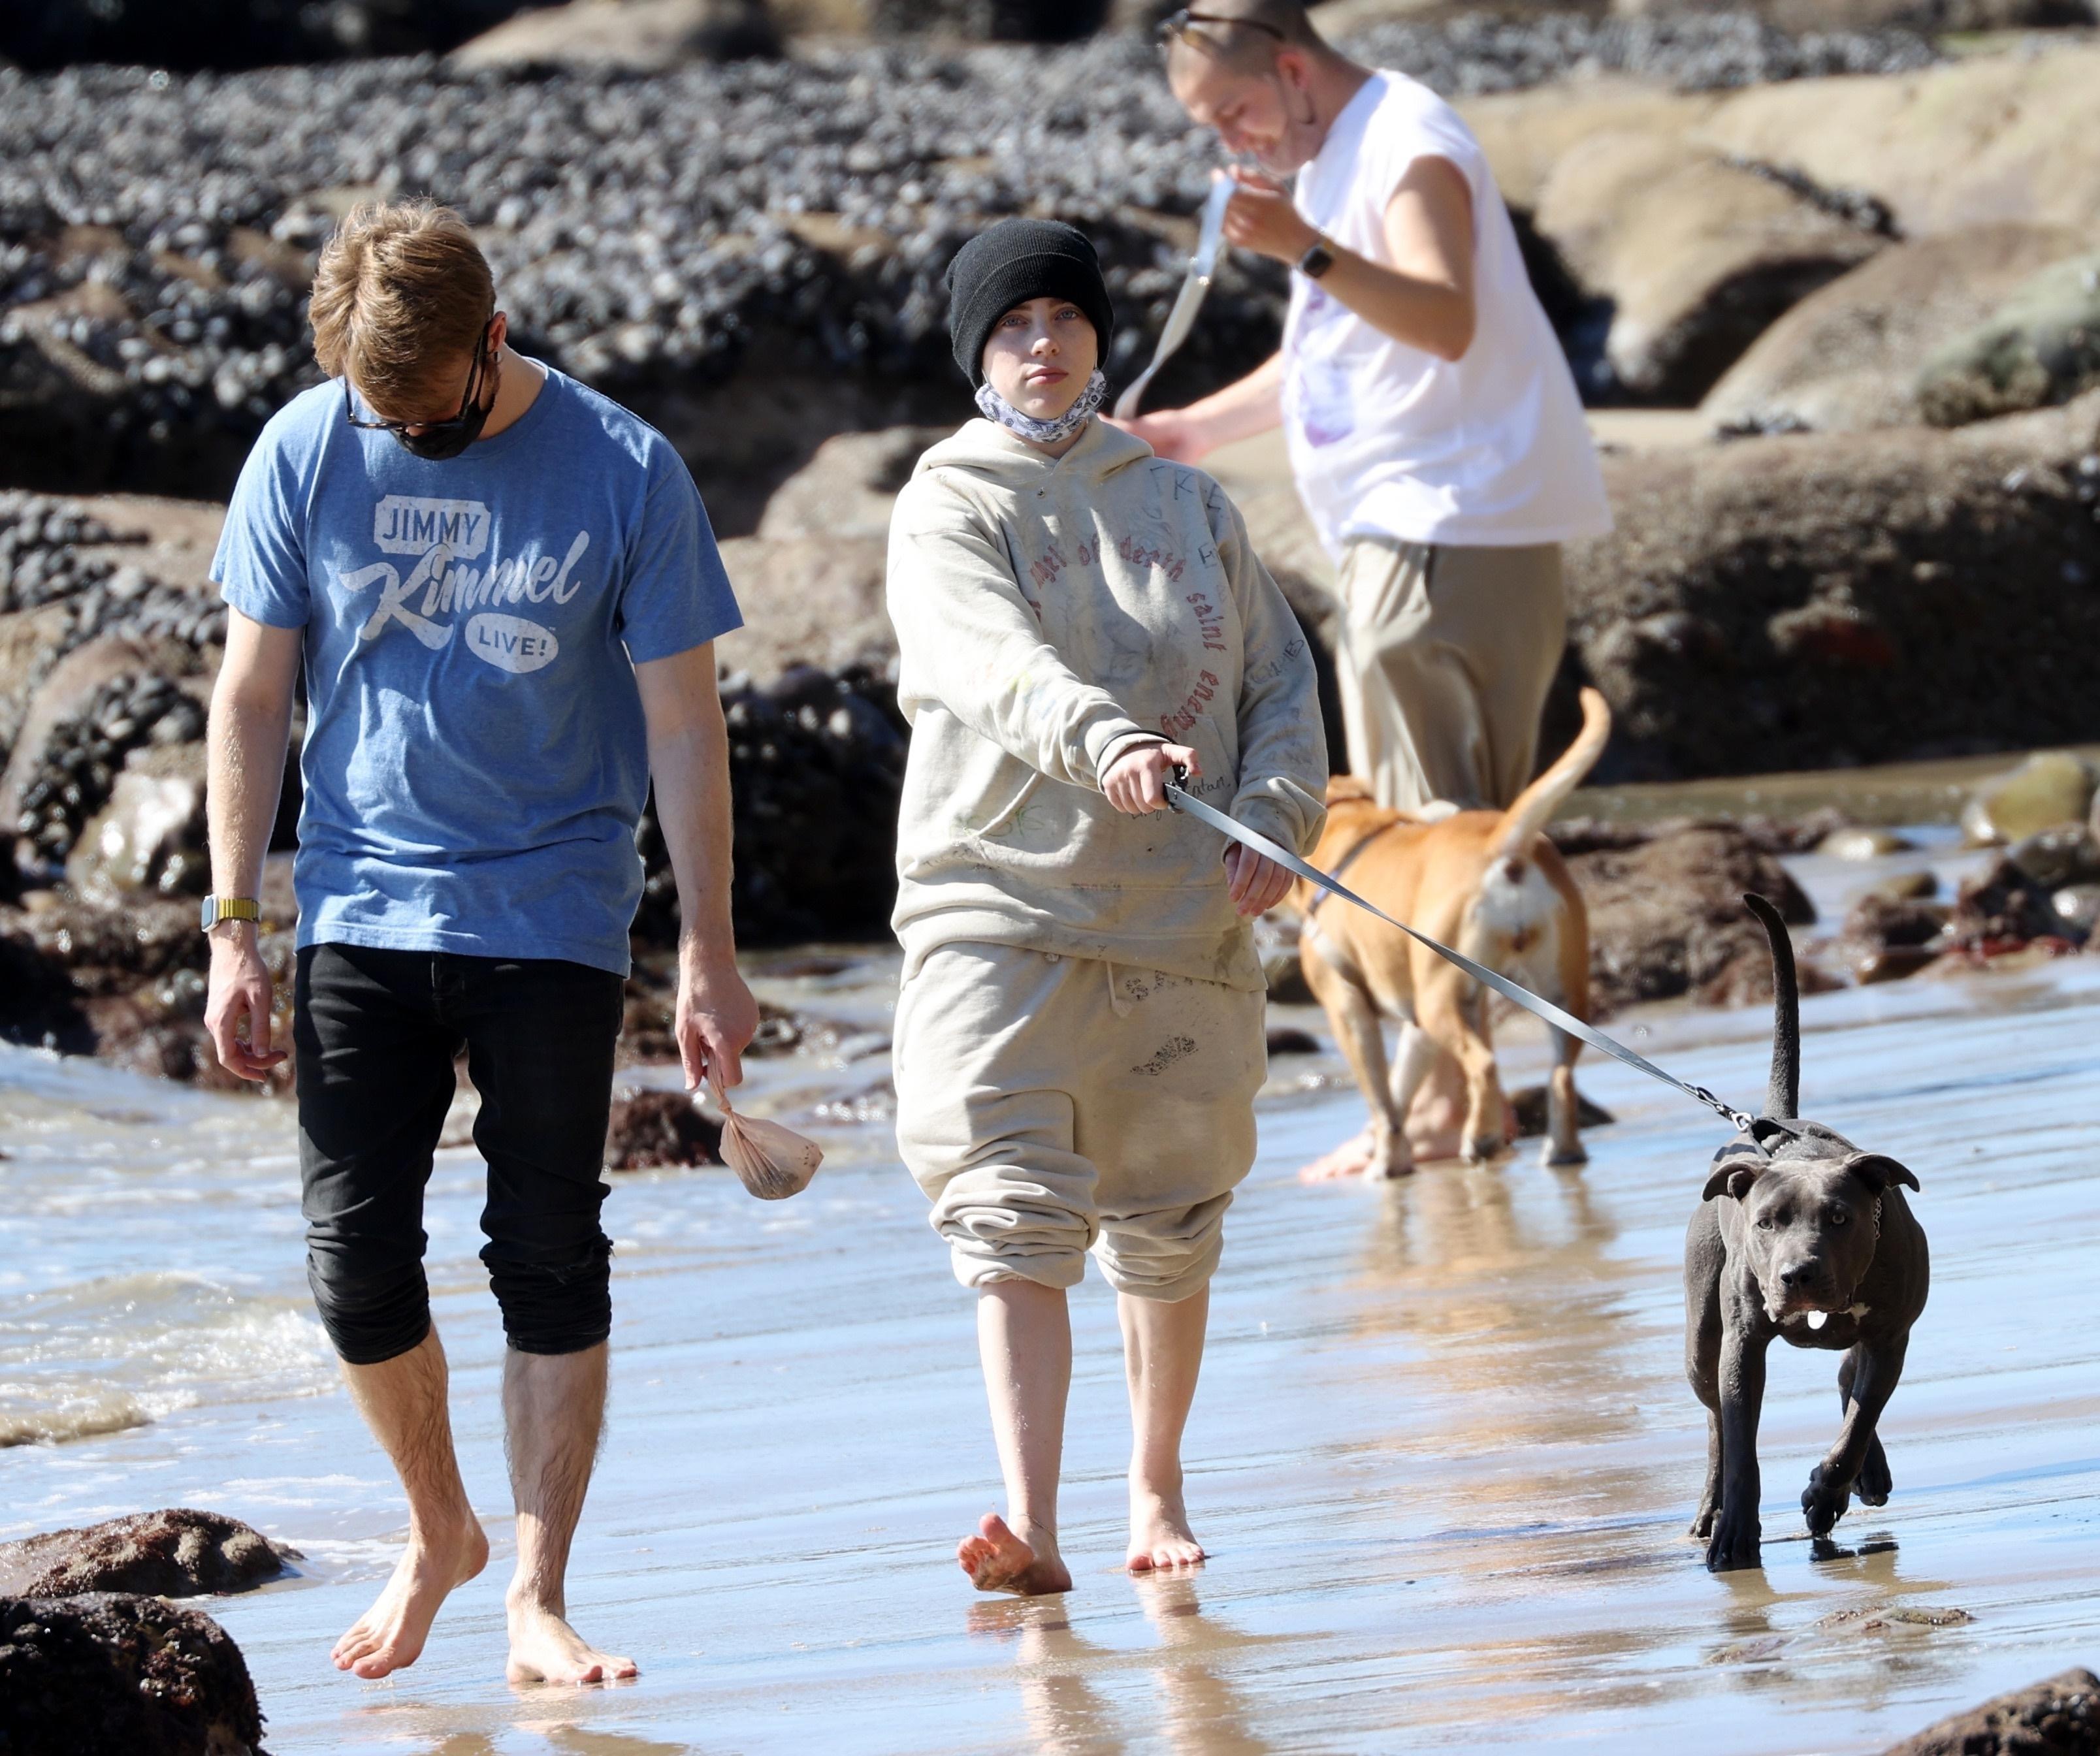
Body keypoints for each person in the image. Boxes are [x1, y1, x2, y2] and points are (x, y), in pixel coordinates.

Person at [201, 199, 756, 1685]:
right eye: (374, 406)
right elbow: (252, 697)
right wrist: (233, 929)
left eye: (422, 407)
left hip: (555, 911)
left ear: (491, 339)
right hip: (362, 906)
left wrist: (707, 947)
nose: (394, 429)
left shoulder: (624, 468)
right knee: (352, 1266)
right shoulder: (307, 448)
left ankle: (534, 1591)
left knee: (548, 1256)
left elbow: (685, 721)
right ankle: (439, 1527)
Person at [886, 217, 1328, 1595]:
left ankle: (1155, 1480)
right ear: (978, 352)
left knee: (1168, 1213)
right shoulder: (945, 503)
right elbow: (984, 657)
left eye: (1063, 321)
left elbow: (1278, 685)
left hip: (1177, 921)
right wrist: (1102, 739)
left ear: (1095, 339)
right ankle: (1029, 1520)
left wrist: (1271, 824)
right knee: (1006, 1208)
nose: (1041, 344)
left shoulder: (1185, 504)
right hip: (994, 907)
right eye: (1014, 327)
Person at [1125, 1, 1611, 816]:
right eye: (1212, 125)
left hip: (1447, 524)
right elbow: (1337, 347)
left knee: (1440, 848)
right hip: (1412, 529)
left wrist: (1300, 246)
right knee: (1449, 848)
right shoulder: (1331, 156)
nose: (1232, 141)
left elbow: (1445, 318)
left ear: (1290, 70)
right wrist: (1193, 428)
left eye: (1233, 111)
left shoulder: (1406, 142)